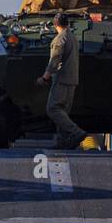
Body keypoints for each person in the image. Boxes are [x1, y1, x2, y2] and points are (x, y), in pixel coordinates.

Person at [37, 12, 86, 149]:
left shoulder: (60, 39)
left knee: (52, 109)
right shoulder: (72, 37)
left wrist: (44, 77)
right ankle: (63, 142)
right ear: (68, 23)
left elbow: (54, 61)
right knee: (62, 112)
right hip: (72, 79)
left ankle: (76, 132)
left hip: (62, 79)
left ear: (55, 25)